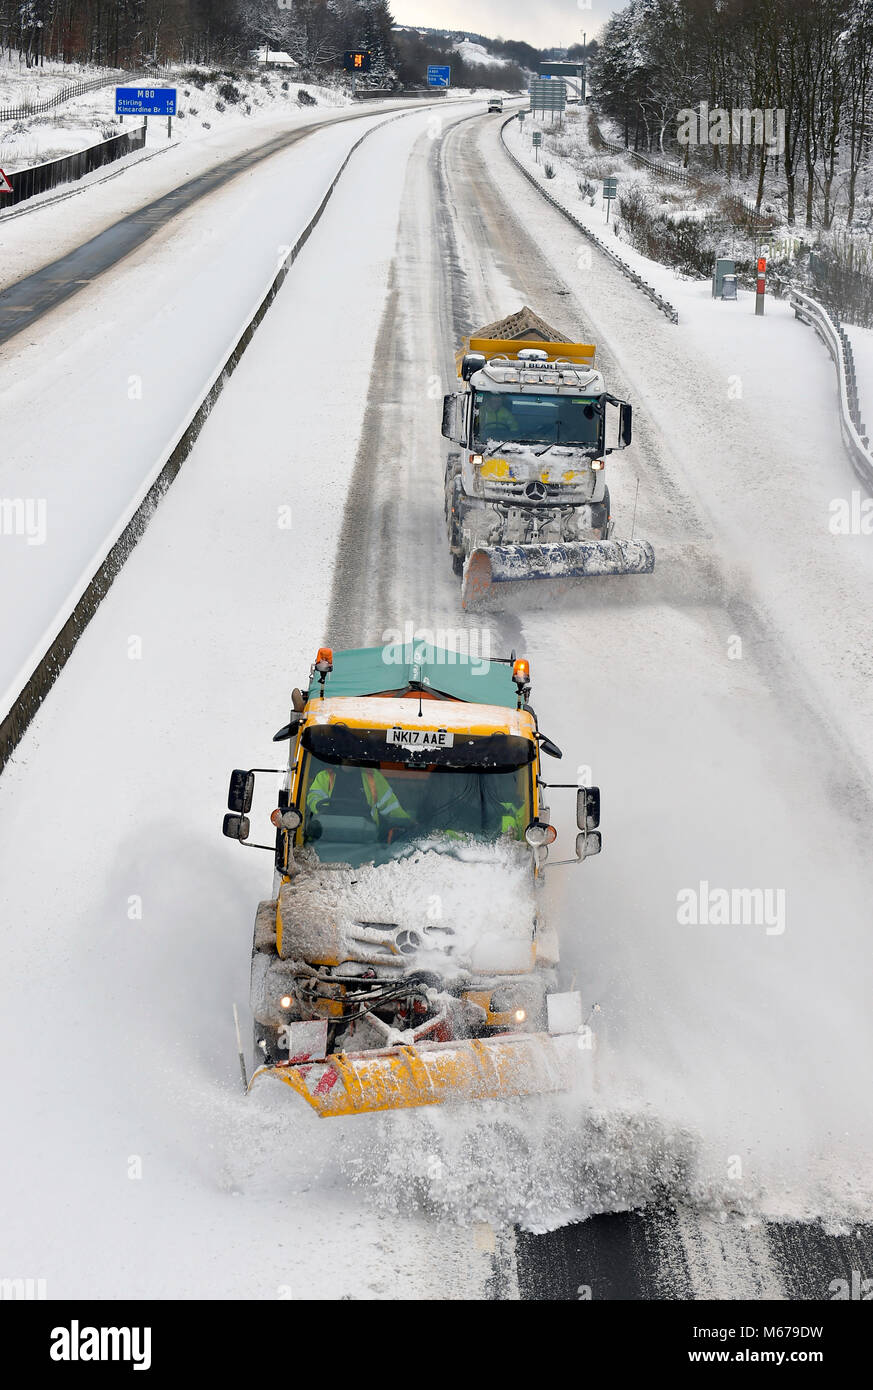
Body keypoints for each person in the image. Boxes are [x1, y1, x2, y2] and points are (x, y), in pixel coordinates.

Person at [306, 765, 411, 832]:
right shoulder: (325, 776)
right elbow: (314, 798)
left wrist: (409, 823)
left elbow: (391, 806)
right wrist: (324, 810)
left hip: (367, 839)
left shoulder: (373, 776)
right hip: (328, 834)